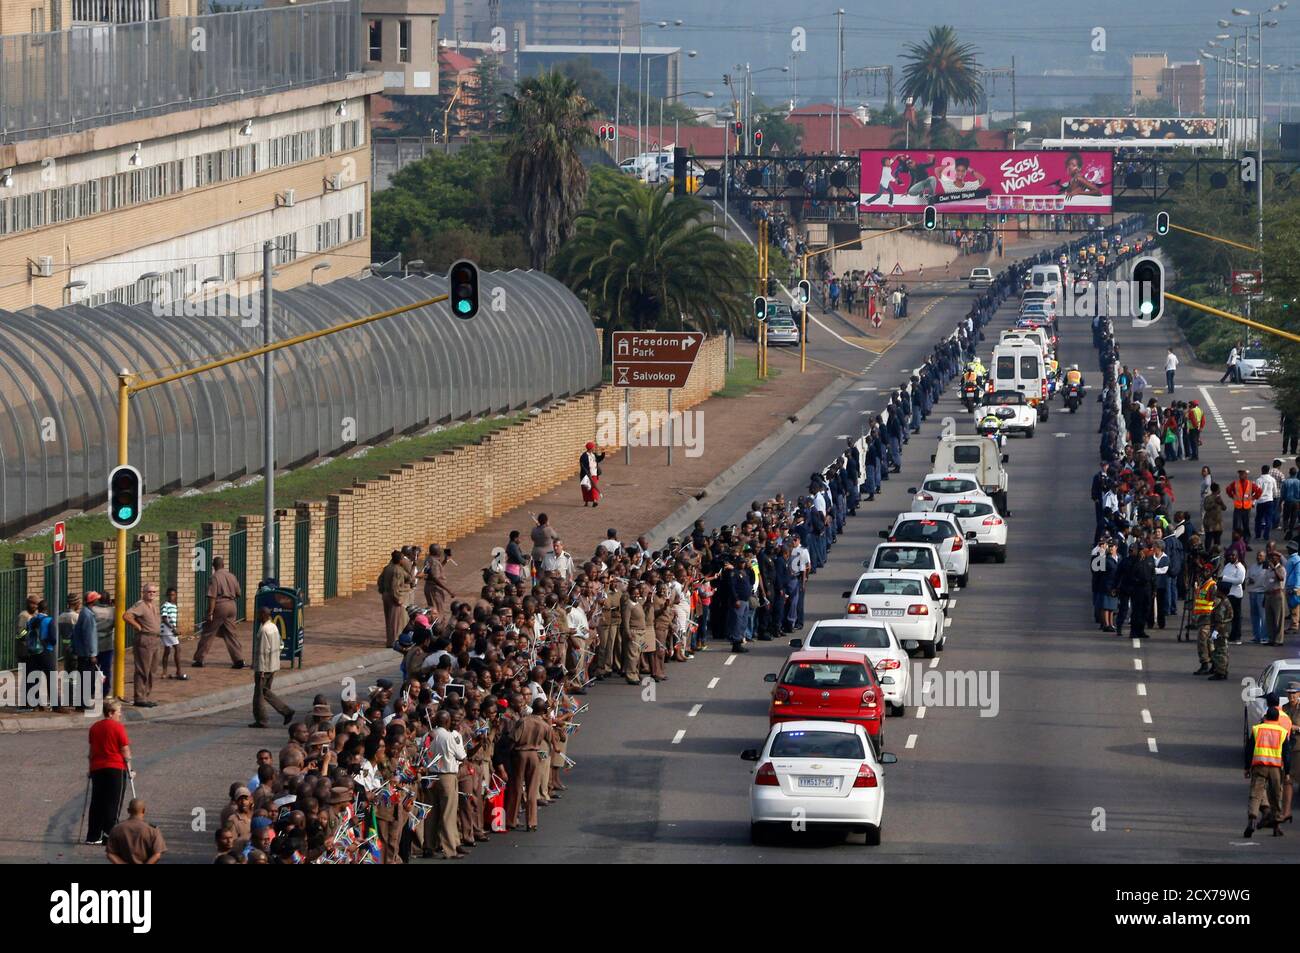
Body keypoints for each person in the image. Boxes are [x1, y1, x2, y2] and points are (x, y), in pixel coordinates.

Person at [86, 698, 132, 845]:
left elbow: (92, 751)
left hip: (97, 768)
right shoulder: (118, 728)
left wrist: (90, 769)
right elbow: (125, 750)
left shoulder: (94, 728)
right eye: (119, 712)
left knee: (97, 802)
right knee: (113, 802)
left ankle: (94, 835)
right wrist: (130, 770)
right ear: (111, 713)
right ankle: (109, 835)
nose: (120, 715)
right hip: (115, 768)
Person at [1244, 707, 1290, 838]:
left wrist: (1247, 768)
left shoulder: (1257, 729)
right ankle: (1276, 827)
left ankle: (1252, 821)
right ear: (1277, 718)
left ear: (1266, 717)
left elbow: (1249, 750)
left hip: (1259, 767)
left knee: (1255, 794)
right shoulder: (1282, 732)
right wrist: (1287, 772)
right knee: (1276, 796)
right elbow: (1286, 754)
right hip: (1276, 768)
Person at [193, 556, 244, 669]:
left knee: (208, 632)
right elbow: (238, 593)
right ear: (223, 565)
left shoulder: (215, 577)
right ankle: (238, 659)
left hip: (221, 606)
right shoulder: (232, 576)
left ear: (213, 566)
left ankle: (199, 659)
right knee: (231, 633)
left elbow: (212, 596)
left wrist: (210, 613)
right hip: (232, 605)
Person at [250, 607, 294, 728]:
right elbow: (281, 644)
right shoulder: (273, 627)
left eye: (259, 614)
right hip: (273, 665)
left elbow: (264, 651)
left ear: (264, 615)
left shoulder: (264, 630)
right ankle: (286, 711)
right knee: (265, 691)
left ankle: (262, 719)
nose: (257, 616)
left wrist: (261, 670)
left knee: (259, 695)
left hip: (264, 667)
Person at [122, 584, 163, 708]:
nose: (151, 593)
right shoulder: (140, 605)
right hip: (145, 638)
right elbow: (127, 615)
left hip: (155, 639)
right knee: (143, 669)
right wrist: (137, 626)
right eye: (149, 591)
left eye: (154, 592)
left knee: (152, 669)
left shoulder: (154, 606)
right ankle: (139, 697)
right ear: (144, 592)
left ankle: (146, 695)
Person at [105, 799, 166, 864]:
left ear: (128, 810)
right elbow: (157, 855)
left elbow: (110, 854)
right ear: (143, 811)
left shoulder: (117, 829)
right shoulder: (152, 830)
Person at [377, 550, 413, 649]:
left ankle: (389, 640)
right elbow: (395, 586)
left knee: (389, 619)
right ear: (400, 560)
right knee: (396, 621)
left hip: (386, 595)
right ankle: (394, 642)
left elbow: (380, 580)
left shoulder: (387, 568)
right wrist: (397, 598)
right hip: (394, 597)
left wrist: (382, 591)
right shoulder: (397, 570)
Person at [1226, 469, 1261, 543]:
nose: (1241, 476)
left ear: (1246, 475)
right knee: (1236, 526)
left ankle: (1246, 542)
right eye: (1240, 474)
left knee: (1246, 526)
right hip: (1238, 508)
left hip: (1247, 508)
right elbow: (1228, 489)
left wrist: (1253, 498)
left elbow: (1259, 491)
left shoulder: (1250, 484)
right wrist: (1232, 496)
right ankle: (1235, 541)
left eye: (1242, 474)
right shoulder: (1235, 483)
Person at [159, 586, 186, 681]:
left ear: (176, 596)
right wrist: (173, 628)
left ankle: (164, 672)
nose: (172, 597)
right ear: (167, 596)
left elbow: (173, 620)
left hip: (170, 630)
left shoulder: (174, 606)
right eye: (170, 595)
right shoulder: (165, 605)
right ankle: (178, 671)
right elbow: (164, 619)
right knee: (177, 648)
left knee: (167, 651)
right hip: (166, 630)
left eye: (173, 595)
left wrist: (176, 628)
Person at [422, 545, 453, 617]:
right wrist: (448, 590)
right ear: (436, 551)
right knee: (438, 611)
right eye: (439, 550)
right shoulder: (434, 562)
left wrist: (445, 561)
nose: (441, 551)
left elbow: (434, 571)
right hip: (434, 590)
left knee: (433, 609)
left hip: (429, 587)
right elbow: (435, 578)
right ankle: (439, 626)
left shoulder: (429, 559)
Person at [579, 441, 604, 507]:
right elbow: (583, 466)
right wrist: (587, 474)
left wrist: (603, 453)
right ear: (590, 448)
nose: (594, 448)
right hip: (587, 475)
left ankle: (594, 501)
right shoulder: (584, 456)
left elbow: (599, 459)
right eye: (593, 447)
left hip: (594, 474)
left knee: (593, 488)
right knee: (586, 489)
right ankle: (586, 502)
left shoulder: (593, 454)